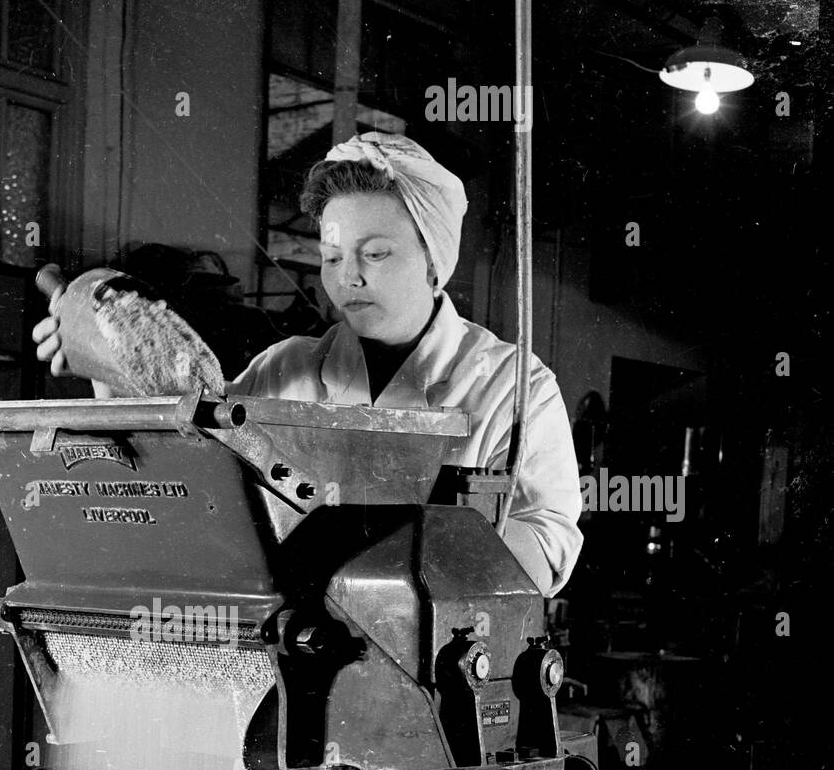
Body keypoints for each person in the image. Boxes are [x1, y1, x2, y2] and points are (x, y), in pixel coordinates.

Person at [36, 131, 583, 597]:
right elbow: (191, 480)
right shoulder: (287, 368)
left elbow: (550, 546)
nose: (349, 278)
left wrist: (422, 537)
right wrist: (109, 369)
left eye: (376, 254)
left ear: (435, 262)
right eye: (332, 257)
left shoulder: (511, 386)